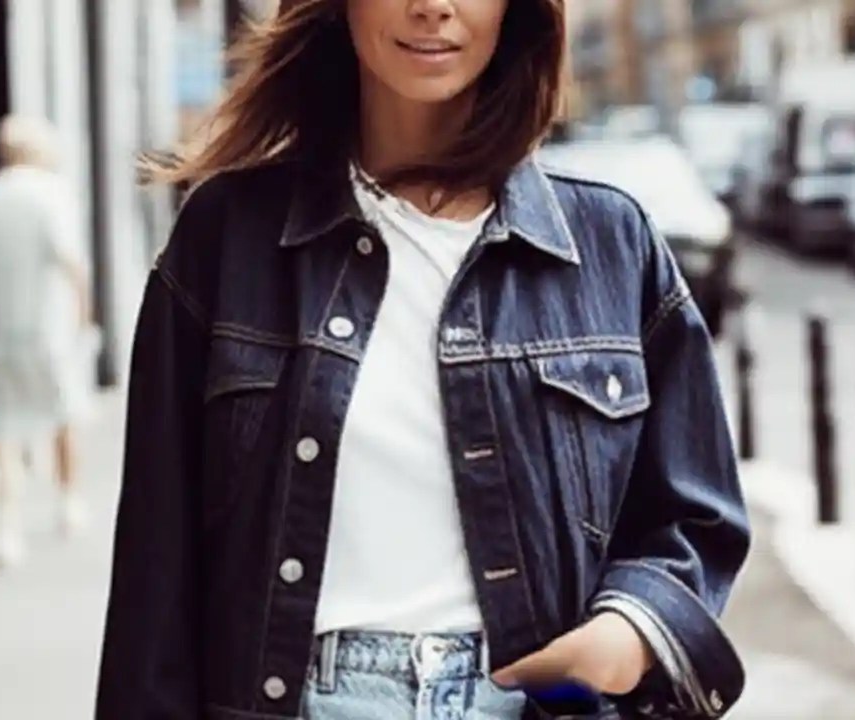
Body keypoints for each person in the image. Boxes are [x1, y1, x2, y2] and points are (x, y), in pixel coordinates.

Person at [97, 1, 749, 718]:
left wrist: (628, 632)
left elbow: (698, 513)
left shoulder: (609, 241)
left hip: (536, 704)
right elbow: (154, 574)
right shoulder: (228, 235)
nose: (433, 6)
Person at [0, 115, 93, 567]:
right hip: (49, 329)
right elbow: (72, 264)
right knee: (64, 415)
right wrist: (84, 319)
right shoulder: (53, 194)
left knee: (4, 429)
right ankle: (68, 500)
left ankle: (7, 526)